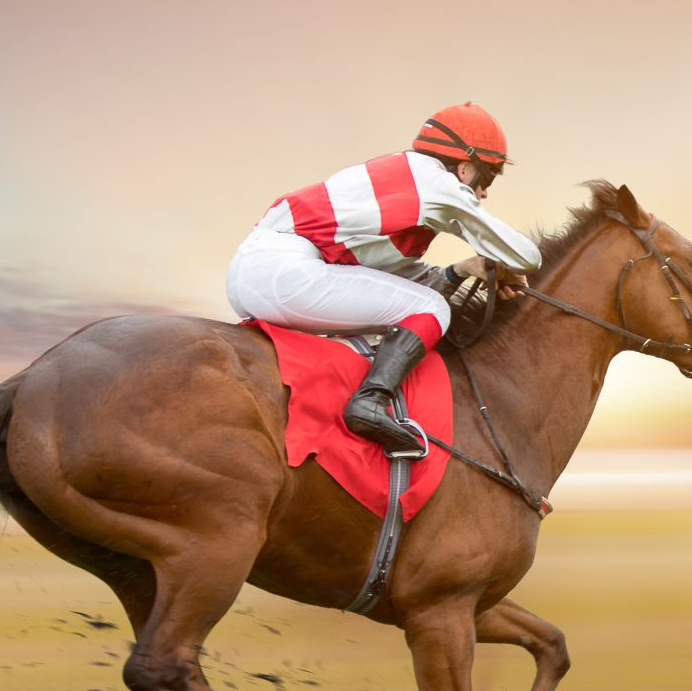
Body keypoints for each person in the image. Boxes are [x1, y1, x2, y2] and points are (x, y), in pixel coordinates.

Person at [226, 102, 542, 454]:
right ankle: (369, 402)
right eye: (488, 177)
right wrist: (502, 261)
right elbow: (527, 256)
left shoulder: (399, 180)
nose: (484, 193)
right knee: (434, 308)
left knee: (420, 305)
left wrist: (461, 270)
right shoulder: (438, 184)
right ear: (465, 167)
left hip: (254, 272)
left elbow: (395, 284)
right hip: (286, 273)